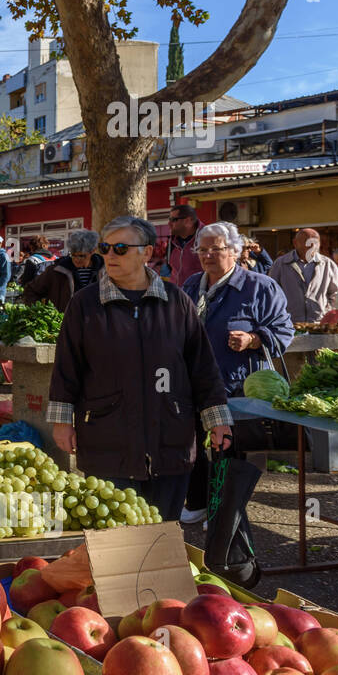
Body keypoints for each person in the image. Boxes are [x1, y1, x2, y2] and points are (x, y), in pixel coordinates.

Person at [47, 216, 233, 522]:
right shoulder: (84, 305)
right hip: (107, 442)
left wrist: (217, 420)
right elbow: (67, 367)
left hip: (170, 442)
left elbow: (203, 367)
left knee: (162, 535)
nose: (109, 256)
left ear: (146, 254)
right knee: (113, 539)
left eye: (120, 248)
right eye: (104, 248)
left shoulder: (177, 302)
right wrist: (61, 421)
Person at [178, 221, 295, 526]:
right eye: (201, 249)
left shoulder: (260, 286)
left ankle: (225, 510)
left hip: (233, 384)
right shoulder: (191, 285)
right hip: (193, 384)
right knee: (193, 445)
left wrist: (253, 339)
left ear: (234, 250)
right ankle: (200, 502)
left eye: (214, 249)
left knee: (227, 448)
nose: (206, 255)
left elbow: (284, 331)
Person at [268, 228, 338, 323]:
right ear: (295, 243)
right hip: (289, 323)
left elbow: (336, 293)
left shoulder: (328, 264)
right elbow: (271, 292)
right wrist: (281, 314)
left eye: (315, 242)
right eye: (307, 242)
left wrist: (327, 312)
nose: (311, 245)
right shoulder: (281, 263)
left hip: (319, 323)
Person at [20, 230, 104, 311]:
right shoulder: (56, 270)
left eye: (81, 256)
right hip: (66, 323)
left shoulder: (105, 270)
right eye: (73, 255)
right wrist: (41, 311)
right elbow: (30, 290)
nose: (76, 259)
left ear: (92, 251)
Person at [163, 203, 203, 284]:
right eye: (169, 220)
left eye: (173, 220)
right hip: (176, 294)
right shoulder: (172, 241)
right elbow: (170, 269)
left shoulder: (207, 238)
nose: (169, 224)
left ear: (188, 221)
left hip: (200, 295)